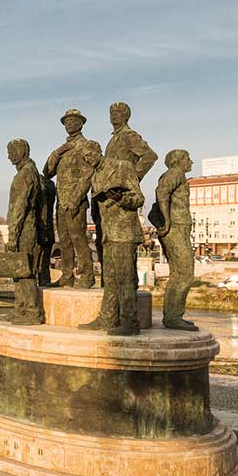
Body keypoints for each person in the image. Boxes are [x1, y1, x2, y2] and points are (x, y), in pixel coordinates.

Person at [80, 140, 146, 336]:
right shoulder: (96, 176)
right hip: (108, 233)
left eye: (90, 155)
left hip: (124, 232)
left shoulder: (122, 166)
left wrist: (121, 198)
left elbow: (138, 198)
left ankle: (130, 322)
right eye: (85, 158)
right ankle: (107, 318)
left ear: (98, 151)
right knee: (109, 278)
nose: (88, 159)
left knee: (125, 278)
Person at [92, 102, 158, 285]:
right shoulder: (114, 138)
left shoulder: (128, 136)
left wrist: (131, 179)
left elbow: (150, 156)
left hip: (121, 198)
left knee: (124, 261)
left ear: (126, 116)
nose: (114, 115)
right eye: (111, 112)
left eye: (119, 112)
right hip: (108, 202)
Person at [43, 109, 101, 288]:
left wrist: (76, 198)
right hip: (61, 202)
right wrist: (58, 152)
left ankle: (87, 276)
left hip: (76, 201)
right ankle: (67, 276)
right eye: (66, 122)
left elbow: (91, 172)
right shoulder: (63, 150)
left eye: (73, 121)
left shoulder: (87, 145)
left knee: (79, 238)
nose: (69, 124)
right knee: (65, 240)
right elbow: (47, 172)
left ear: (81, 123)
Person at [152, 149, 199, 331]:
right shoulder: (175, 173)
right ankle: (173, 316)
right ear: (177, 160)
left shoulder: (174, 175)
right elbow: (161, 193)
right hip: (176, 228)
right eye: (188, 158)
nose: (191, 162)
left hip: (179, 228)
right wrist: (166, 220)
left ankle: (173, 315)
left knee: (179, 274)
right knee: (185, 273)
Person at [0, 138, 44, 325]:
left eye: (12, 151)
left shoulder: (25, 174)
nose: (9, 155)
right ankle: (20, 307)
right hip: (26, 225)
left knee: (24, 269)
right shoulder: (29, 171)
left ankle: (32, 311)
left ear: (22, 152)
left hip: (25, 227)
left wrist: (13, 236)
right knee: (18, 270)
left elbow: (19, 207)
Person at [37, 176, 56, 286]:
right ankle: (44, 285)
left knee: (38, 264)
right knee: (44, 265)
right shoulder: (51, 185)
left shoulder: (42, 186)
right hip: (49, 229)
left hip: (42, 230)